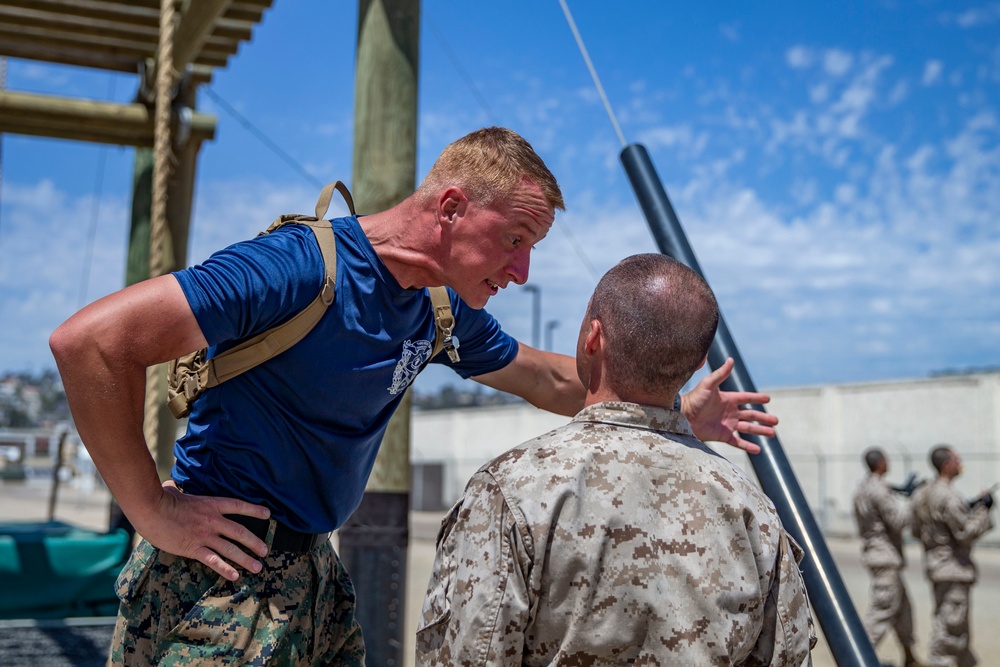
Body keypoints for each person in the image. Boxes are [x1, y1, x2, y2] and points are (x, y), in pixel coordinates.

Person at [49, 127, 778, 666]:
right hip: (217, 575)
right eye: (515, 239)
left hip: (313, 574)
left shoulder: (438, 308)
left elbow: (548, 378)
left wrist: (678, 411)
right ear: (452, 206)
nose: (522, 271)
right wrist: (151, 511)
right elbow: (91, 344)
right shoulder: (299, 268)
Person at [416, 253, 814, 666]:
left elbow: (469, 653)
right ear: (698, 364)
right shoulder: (753, 511)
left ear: (593, 338)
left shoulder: (510, 490)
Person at [911, 445, 994, 667]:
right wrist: (985, 510)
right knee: (949, 633)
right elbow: (966, 532)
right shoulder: (948, 496)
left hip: (937, 566)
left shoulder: (923, 494)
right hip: (953, 569)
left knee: (957, 630)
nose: (960, 463)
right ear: (946, 465)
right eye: (957, 459)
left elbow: (916, 530)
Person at [852, 448, 922, 667]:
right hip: (885, 556)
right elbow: (899, 521)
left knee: (902, 609)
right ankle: (857, 657)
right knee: (881, 611)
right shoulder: (880, 490)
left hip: (878, 554)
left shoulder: (863, 488)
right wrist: (912, 500)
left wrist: (899, 491)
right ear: (881, 463)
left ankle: (910, 657)